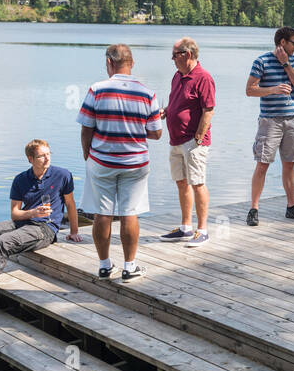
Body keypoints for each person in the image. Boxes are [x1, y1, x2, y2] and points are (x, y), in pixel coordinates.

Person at [0, 139, 85, 318]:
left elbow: (70, 204)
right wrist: (32, 212)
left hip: (45, 228)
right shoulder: (20, 180)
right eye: (41, 156)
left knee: (3, 242)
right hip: (24, 221)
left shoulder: (62, 175)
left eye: (49, 154)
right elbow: (15, 214)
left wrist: (74, 231)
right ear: (31, 159)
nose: (47, 159)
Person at [77, 44, 163, 281]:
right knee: (129, 212)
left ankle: (105, 266)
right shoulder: (147, 93)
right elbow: (156, 134)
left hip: (102, 161)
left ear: (109, 63)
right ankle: (129, 266)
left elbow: (86, 129)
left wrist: (88, 156)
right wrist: (137, 125)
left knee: (102, 213)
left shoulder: (97, 90)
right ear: (132, 63)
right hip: (135, 163)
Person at [246, 26, 294, 226]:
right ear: (283, 42)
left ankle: (292, 206)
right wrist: (272, 89)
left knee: (289, 164)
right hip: (270, 121)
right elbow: (249, 90)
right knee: (262, 164)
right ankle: (254, 209)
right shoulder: (261, 61)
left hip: (292, 120)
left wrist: (286, 64)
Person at [160, 36, 216, 246]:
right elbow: (177, 102)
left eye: (175, 55)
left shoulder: (203, 77)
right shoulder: (177, 76)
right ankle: (185, 227)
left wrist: (199, 138)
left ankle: (202, 230)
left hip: (193, 142)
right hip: (175, 140)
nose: (172, 59)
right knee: (181, 183)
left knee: (197, 183)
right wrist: (166, 111)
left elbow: (208, 110)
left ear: (188, 55)